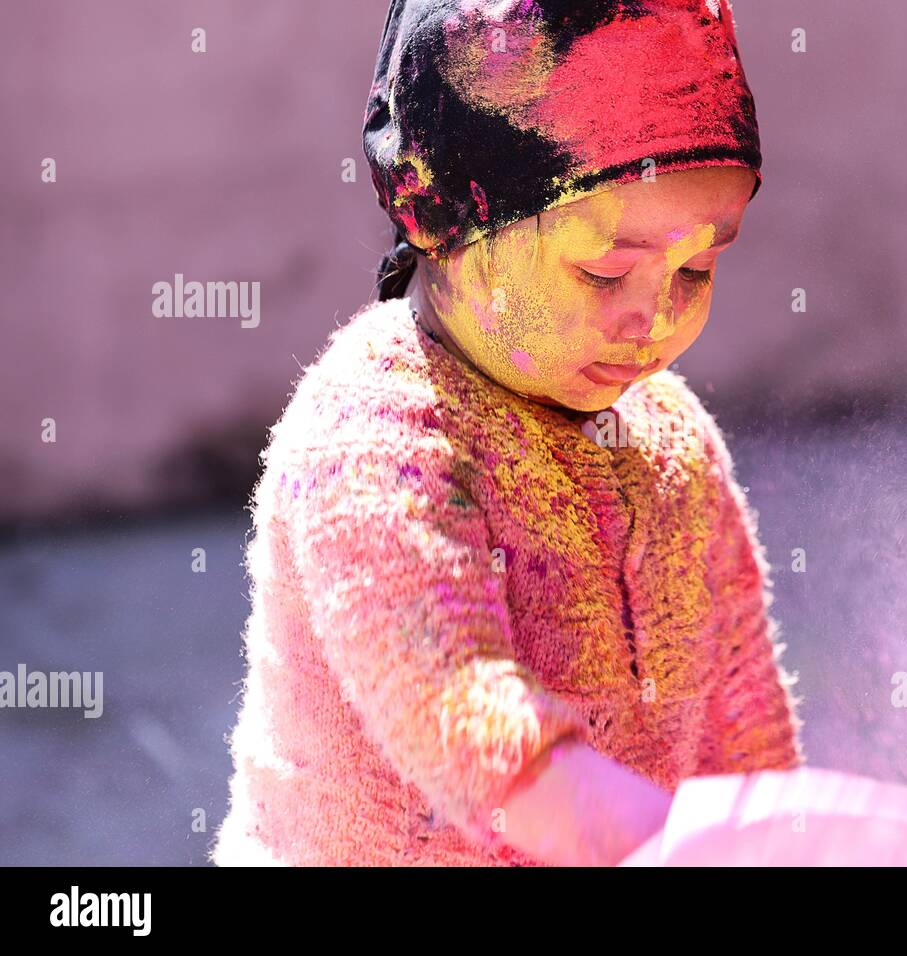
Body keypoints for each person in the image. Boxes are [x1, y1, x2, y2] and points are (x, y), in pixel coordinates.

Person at [212, 0, 804, 867]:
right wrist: (693, 851)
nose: (655, 313)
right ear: (448, 217)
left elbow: (746, 726)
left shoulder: (674, 442)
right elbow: (471, 730)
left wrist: (799, 839)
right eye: (606, 272)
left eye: (701, 266)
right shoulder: (374, 434)